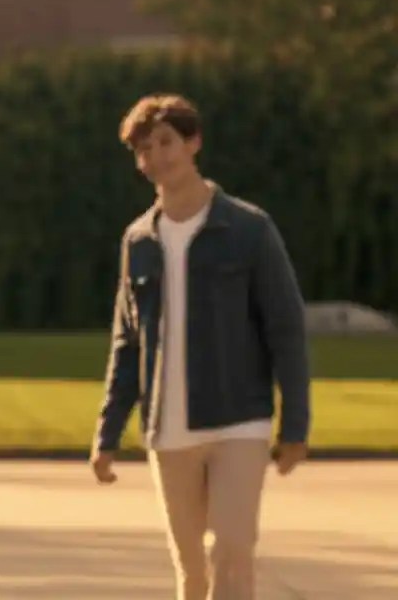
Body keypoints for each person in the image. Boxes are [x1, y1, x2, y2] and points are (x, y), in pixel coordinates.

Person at [89, 94, 311, 600]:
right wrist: (108, 432)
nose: (155, 157)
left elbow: (285, 327)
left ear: (193, 143)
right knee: (190, 570)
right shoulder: (138, 241)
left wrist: (295, 424)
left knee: (232, 549)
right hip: (168, 431)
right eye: (143, 150)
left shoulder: (249, 229)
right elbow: (127, 342)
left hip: (239, 422)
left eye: (165, 142)